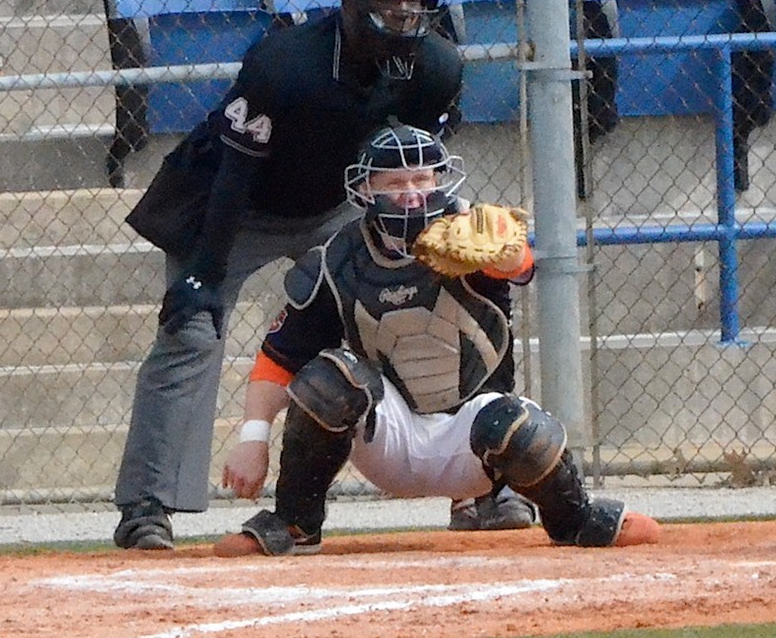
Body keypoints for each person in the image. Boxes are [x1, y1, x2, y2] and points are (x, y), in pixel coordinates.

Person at [113, 0, 530, 550]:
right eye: (391, 5)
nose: (405, 18)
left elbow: (417, 165)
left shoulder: (437, 65)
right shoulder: (284, 62)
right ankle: (148, 505)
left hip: (342, 201)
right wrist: (202, 273)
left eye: (415, 6)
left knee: (444, 300)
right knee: (190, 329)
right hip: (234, 203)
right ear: (352, 6)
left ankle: (483, 485)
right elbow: (235, 172)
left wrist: (451, 222)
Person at [211, 124, 662, 556]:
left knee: (521, 425)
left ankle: (576, 520)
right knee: (329, 377)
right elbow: (279, 357)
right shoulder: (337, 259)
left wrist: (504, 250)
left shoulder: (469, 231)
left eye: (422, 178)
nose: (412, 193)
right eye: (395, 182)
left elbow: (518, 267)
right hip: (390, 435)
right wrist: (253, 437)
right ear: (366, 190)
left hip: (471, 433)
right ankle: (294, 524)